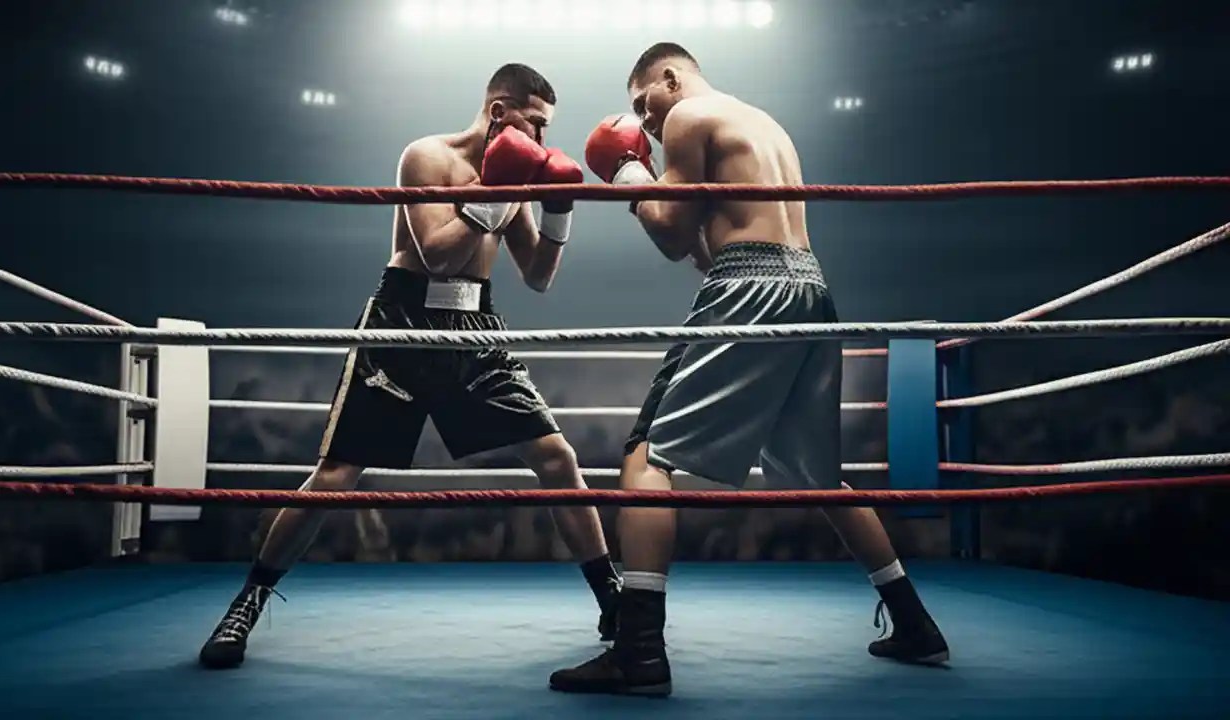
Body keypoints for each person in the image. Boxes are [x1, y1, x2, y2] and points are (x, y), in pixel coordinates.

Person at [549, 43, 949, 697]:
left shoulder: (685, 117)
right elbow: (704, 251)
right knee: (819, 479)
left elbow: (673, 235)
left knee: (646, 453)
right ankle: (915, 624)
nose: (645, 124)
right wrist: (657, 185)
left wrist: (626, 174)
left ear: (669, 79)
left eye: (641, 105)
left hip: (749, 287)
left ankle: (639, 652)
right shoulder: (761, 126)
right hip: (809, 291)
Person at [198, 63, 621, 670]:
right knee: (338, 473)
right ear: (500, 112)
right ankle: (248, 601)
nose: (544, 138)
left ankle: (611, 599)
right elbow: (438, 252)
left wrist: (557, 211)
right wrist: (496, 192)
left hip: (476, 331)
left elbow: (538, 277)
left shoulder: (523, 175)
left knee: (557, 459)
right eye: (535, 122)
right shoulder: (427, 157)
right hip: (403, 322)